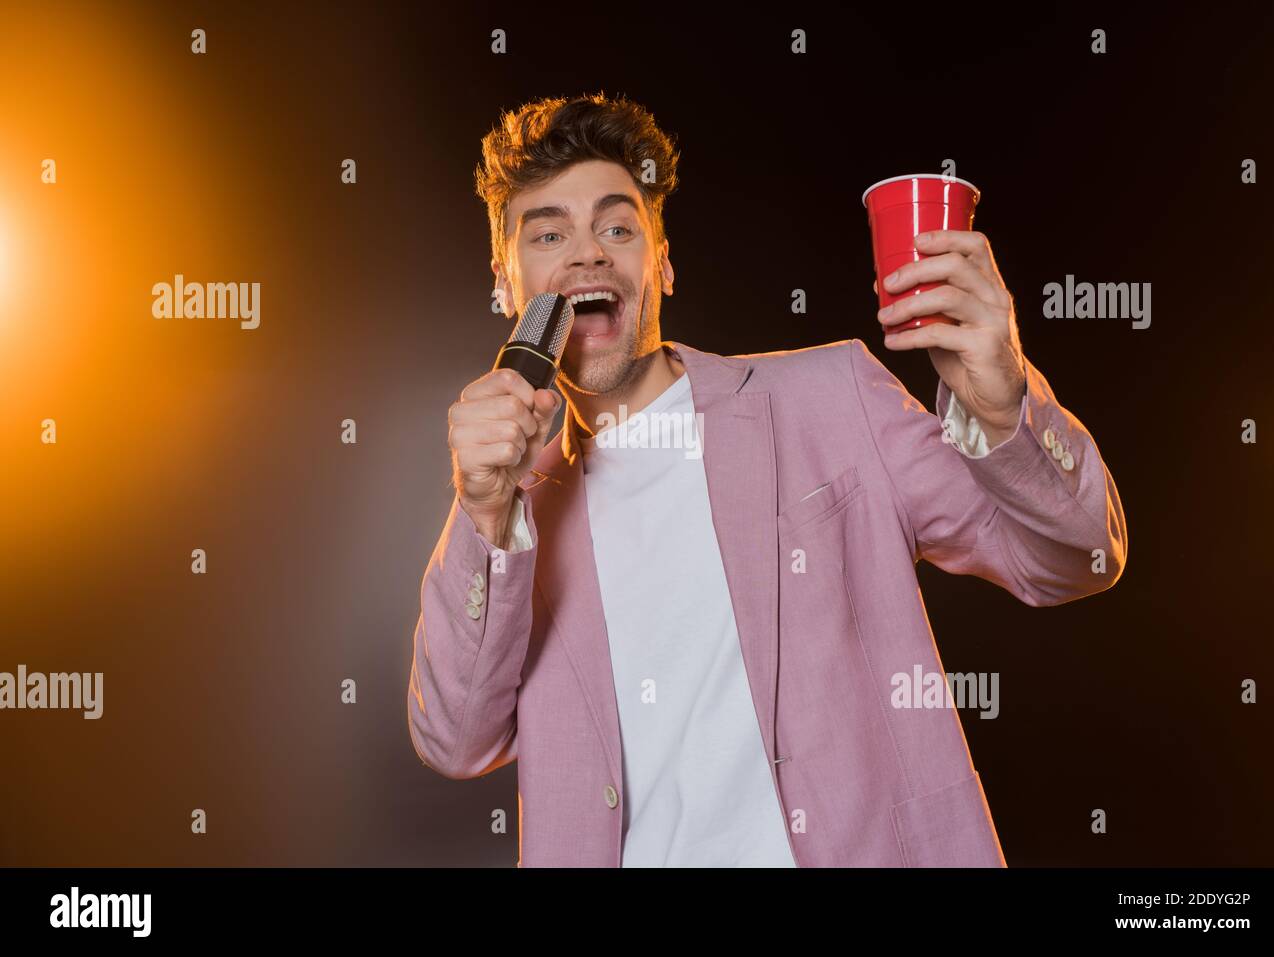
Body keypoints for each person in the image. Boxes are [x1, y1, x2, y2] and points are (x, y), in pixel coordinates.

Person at [407, 93, 1127, 867]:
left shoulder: (831, 396)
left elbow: (1075, 558)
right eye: (549, 234)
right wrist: (484, 512)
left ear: (664, 260)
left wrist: (1003, 399)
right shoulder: (517, 519)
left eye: (617, 227)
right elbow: (454, 740)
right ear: (506, 284)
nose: (588, 255)